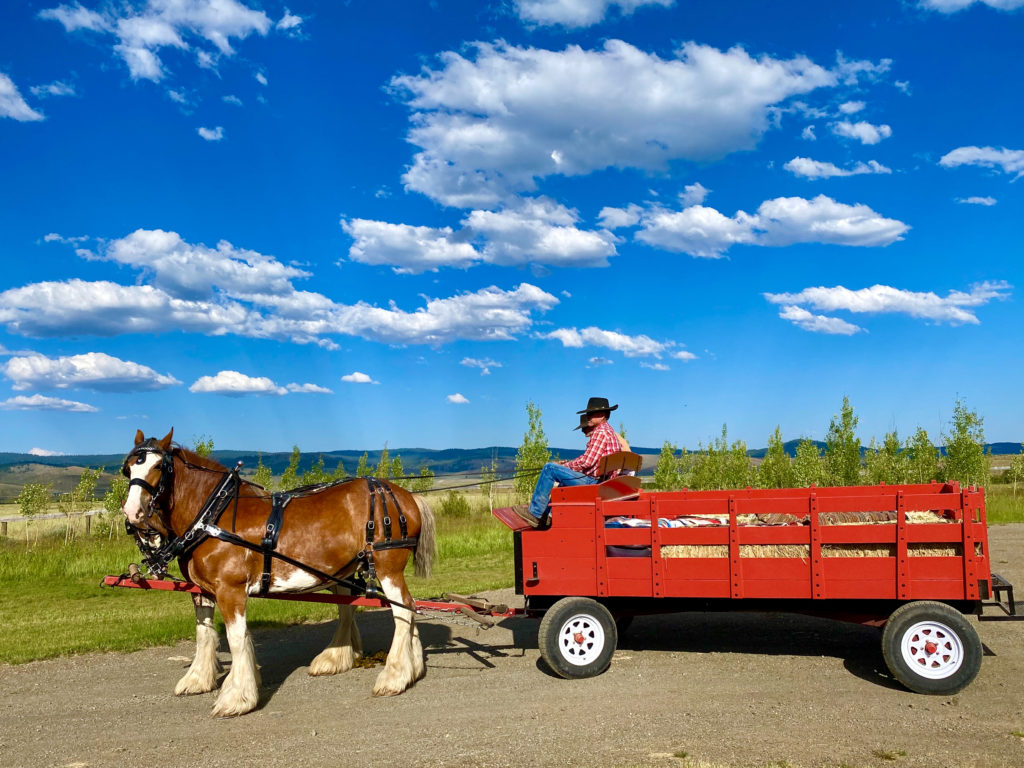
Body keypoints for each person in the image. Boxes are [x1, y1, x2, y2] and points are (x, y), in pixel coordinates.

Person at [512, 397, 623, 528]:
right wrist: (569, 467)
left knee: (549, 469)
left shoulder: (600, 432)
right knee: (563, 478)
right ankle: (549, 516)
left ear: (602, 415)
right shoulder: (610, 432)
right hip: (603, 484)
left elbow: (587, 462)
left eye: (591, 413)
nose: (587, 416)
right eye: (588, 413)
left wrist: (564, 466)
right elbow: (592, 461)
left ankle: (535, 513)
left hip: (593, 484)